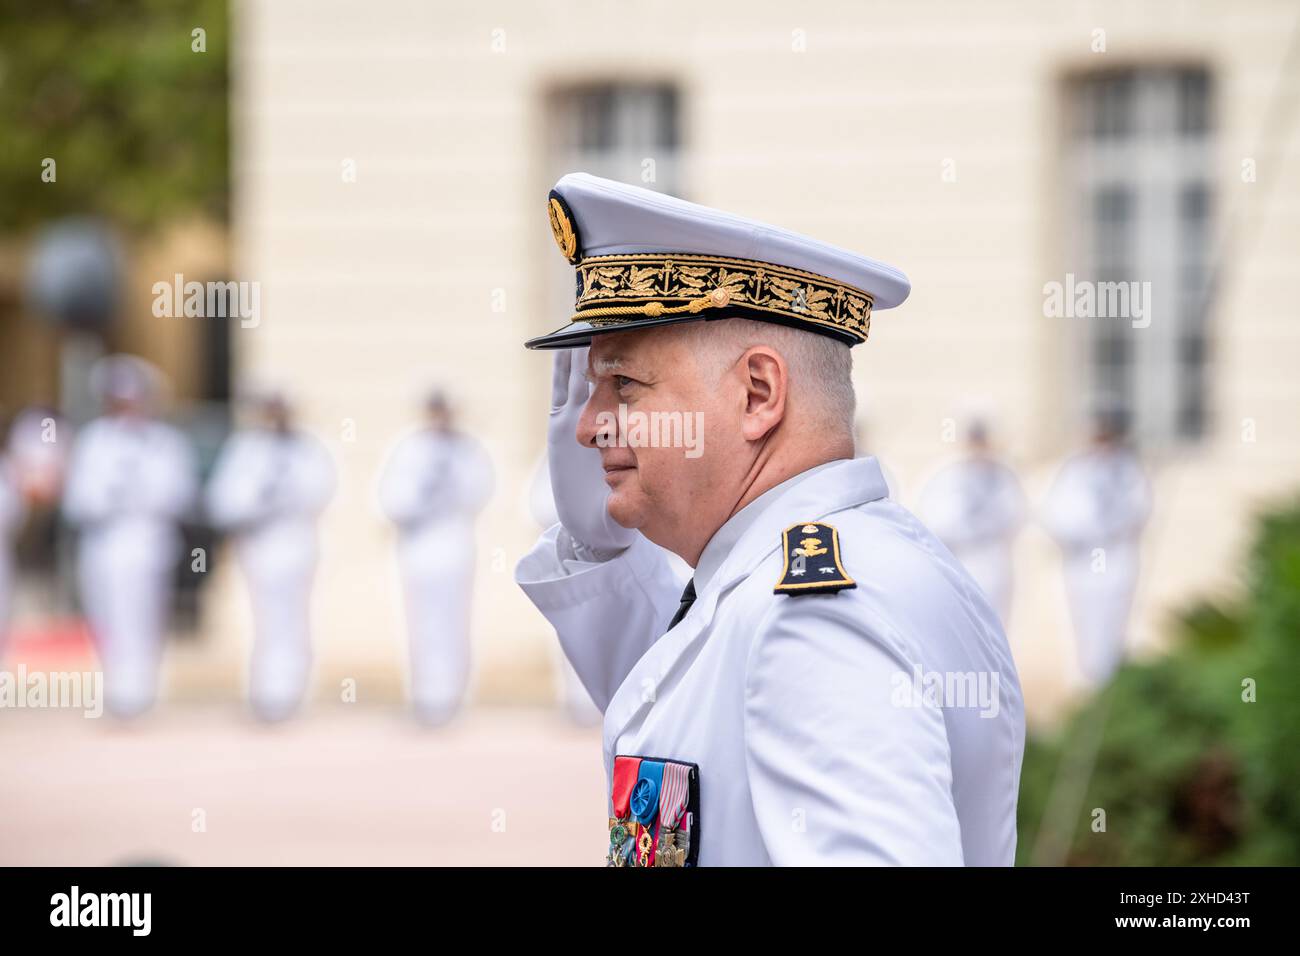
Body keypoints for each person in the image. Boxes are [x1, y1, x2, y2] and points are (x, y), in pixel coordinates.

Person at [515, 174, 1025, 866]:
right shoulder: (795, 581)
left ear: (758, 394)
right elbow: (683, 720)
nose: (590, 426)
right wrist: (599, 549)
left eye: (625, 385)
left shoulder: (815, 617)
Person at [63, 355, 197, 718]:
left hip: (146, 541)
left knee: (143, 617)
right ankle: (113, 690)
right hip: (104, 542)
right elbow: (78, 499)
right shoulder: (94, 440)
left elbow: (179, 495)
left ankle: (139, 692)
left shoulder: (165, 442)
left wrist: (139, 493)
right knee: (105, 617)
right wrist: (111, 495)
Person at [206, 389, 336, 721]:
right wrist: (259, 499)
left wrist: (286, 496)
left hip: (295, 541)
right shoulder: (247, 449)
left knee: (293, 619)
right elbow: (223, 502)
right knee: (266, 619)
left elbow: (321, 492)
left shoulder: (308, 448)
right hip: (261, 542)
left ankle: (291, 691)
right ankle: (267, 692)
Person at [377, 391, 494, 724]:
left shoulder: (468, 448)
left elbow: (481, 491)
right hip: (419, 547)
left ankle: (453, 697)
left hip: (455, 545)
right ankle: (426, 697)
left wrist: (451, 483)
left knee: (455, 623)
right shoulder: (409, 448)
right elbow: (391, 501)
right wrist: (423, 491)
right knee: (422, 624)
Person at [1041, 405, 1151, 687]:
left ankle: (1107, 686)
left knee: (1112, 630)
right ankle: (1087, 686)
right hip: (1081, 561)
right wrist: (1083, 530)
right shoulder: (1073, 469)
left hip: (1116, 560)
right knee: (1083, 628)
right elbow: (1054, 516)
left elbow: (1138, 511)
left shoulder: (1129, 470)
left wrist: (1105, 526)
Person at [918, 417, 1026, 623]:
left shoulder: (1004, 475)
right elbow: (934, 521)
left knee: (996, 625)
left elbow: (1014, 516)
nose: (978, 445)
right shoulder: (945, 475)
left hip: (993, 559)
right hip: (958, 557)